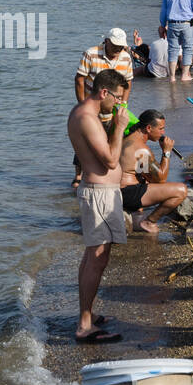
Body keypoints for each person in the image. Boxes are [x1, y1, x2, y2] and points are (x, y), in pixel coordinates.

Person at [67, 69, 130, 343]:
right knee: (97, 258)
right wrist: (119, 126)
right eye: (117, 98)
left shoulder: (83, 113)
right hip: (99, 194)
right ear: (104, 92)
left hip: (100, 193)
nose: (119, 104)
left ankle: (87, 314)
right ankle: (84, 324)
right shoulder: (86, 118)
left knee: (93, 257)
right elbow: (111, 160)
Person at [73, 28, 134, 186]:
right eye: (114, 46)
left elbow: (127, 83)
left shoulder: (126, 58)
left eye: (120, 47)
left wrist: (123, 104)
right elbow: (80, 79)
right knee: (86, 142)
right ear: (106, 41)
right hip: (92, 108)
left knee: (109, 141)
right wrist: (83, 105)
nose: (117, 50)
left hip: (111, 109)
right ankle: (79, 175)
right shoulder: (91, 54)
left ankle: (102, 173)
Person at [119, 110, 188, 236]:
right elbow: (160, 180)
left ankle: (135, 215)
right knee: (181, 190)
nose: (163, 133)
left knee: (146, 181)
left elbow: (145, 174)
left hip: (120, 191)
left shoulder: (131, 139)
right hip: (127, 193)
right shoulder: (141, 148)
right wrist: (166, 152)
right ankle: (149, 222)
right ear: (149, 128)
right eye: (161, 129)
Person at [159, 0, 193, 85]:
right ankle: (185, 75)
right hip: (186, 23)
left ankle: (172, 77)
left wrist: (162, 25)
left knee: (173, 50)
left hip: (172, 24)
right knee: (187, 48)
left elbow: (163, 11)